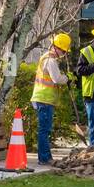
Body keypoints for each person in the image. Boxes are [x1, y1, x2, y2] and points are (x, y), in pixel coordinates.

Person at [30, 32, 71, 166]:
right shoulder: (50, 60)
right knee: (44, 130)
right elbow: (57, 79)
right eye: (63, 51)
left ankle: (46, 156)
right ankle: (44, 158)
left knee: (45, 129)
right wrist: (67, 78)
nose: (64, 54)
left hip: (43, 98)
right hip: (44, 99)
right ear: (57, 47)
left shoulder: (46, 58)